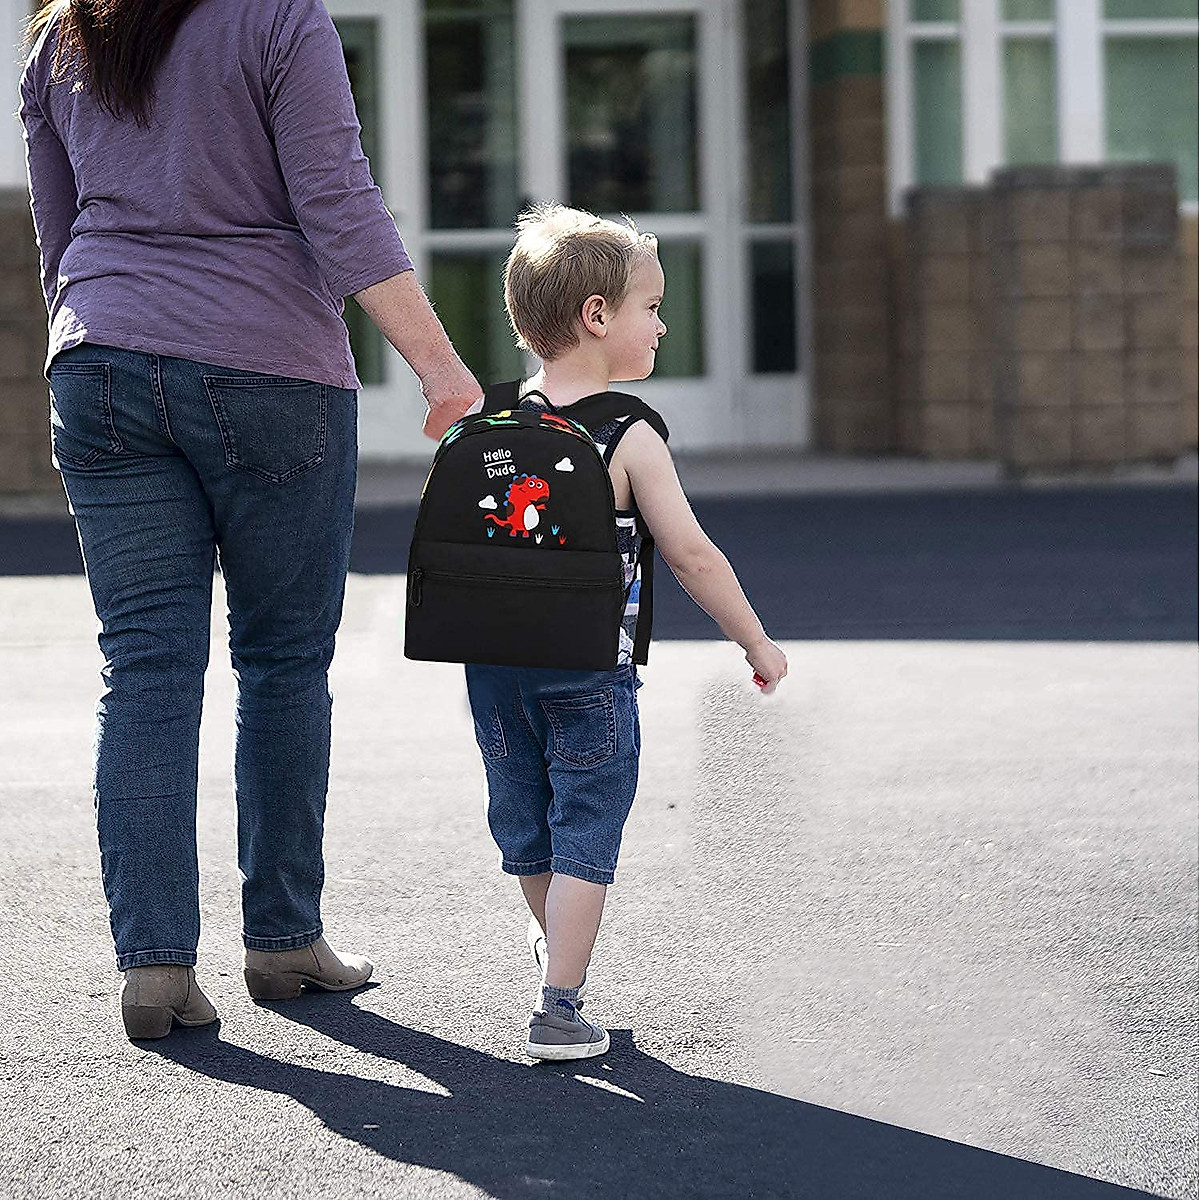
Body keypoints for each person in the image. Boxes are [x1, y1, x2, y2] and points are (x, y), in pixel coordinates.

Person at [18, 0, 480, 1041]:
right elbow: (337, 202)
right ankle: (281, 938)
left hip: (97, 362)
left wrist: (105, 336)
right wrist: (443, 369)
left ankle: (154, 965)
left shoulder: (58, 36)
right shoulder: (278, 19)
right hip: (267, 367)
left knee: (144, 665)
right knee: (280, 660)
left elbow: (58, 228)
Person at [463, 204, 788, 1061]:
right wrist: (755, 641)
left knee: (527, 826)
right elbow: (690, 553)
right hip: (588, 675)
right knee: (587, 832)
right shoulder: (628, 432)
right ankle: (559, 1007)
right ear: (597, 317)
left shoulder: (494, 425)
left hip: (495, 672)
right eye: (651, 305)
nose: (663, 322)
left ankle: (553, 949)